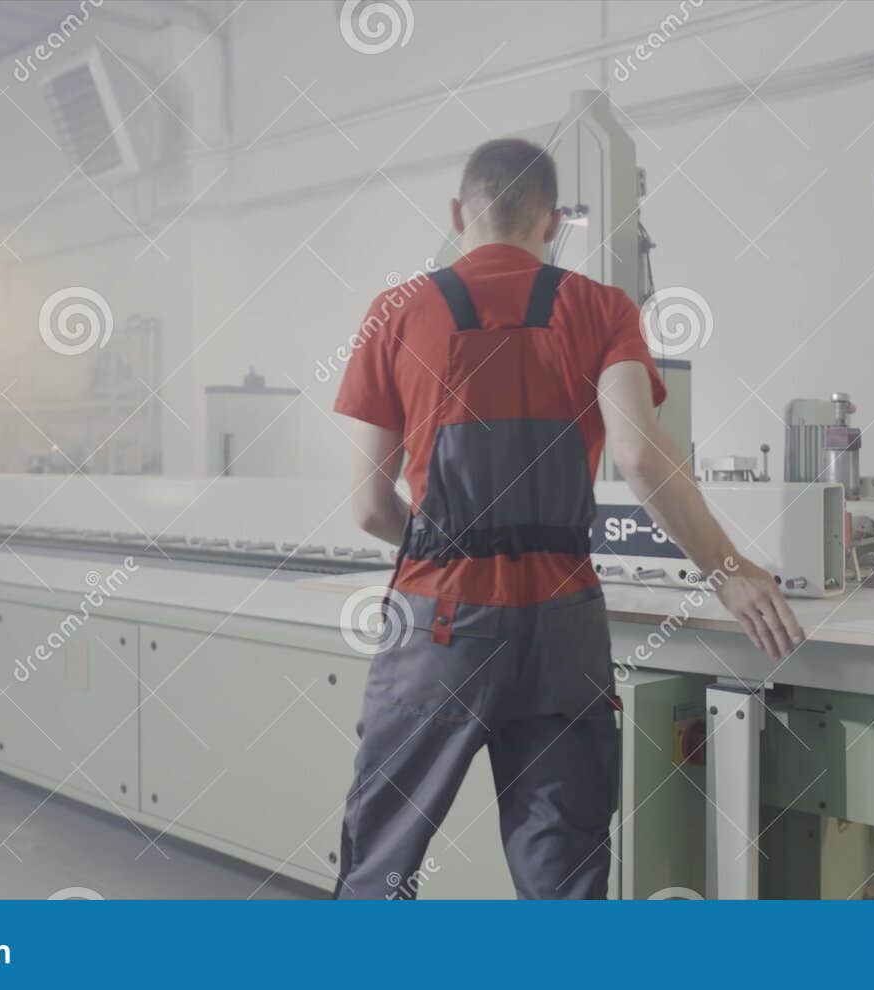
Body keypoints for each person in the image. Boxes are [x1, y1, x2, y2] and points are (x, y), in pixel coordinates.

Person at [331, 137, 804, 899]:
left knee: (379, 859)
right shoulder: (601, 308)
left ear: (458, 213)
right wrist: (731, 572)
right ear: (552, 223)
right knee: (564, 875)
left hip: (441, 621)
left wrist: (446, 548)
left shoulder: (395, 311)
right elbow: (642, 458)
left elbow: (368, 507)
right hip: (562, 626)